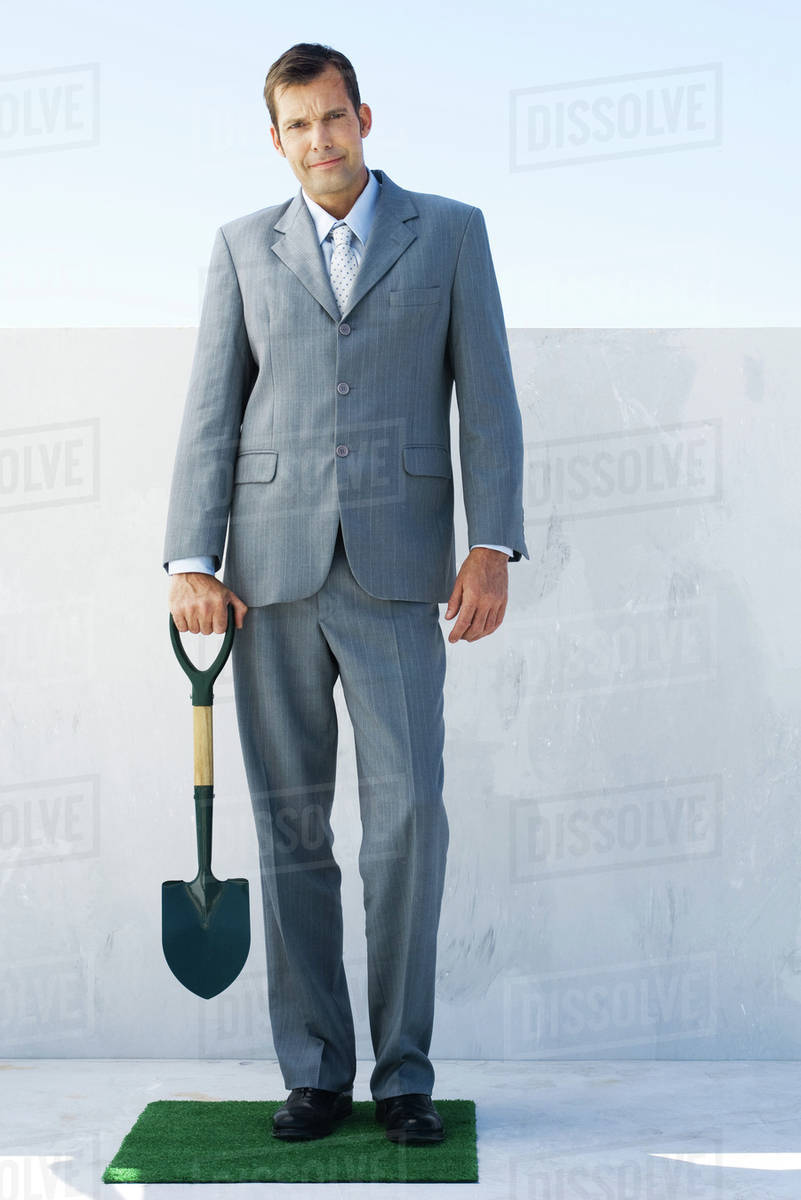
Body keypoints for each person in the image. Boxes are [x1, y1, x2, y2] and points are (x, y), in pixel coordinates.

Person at [163, 42, 528, 1145]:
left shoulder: (450, 233)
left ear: (364, 117)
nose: (319, 142)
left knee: (410, 816)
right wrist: (191, 557)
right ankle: (315, 1070)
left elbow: (490, 397)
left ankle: (404, 1072)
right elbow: (211, 409)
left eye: (333, 119)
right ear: (275, 138)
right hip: (266, 577)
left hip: (401, 567)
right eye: (297, 127)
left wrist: (492, 543)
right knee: (290, 831)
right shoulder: (239, 248)